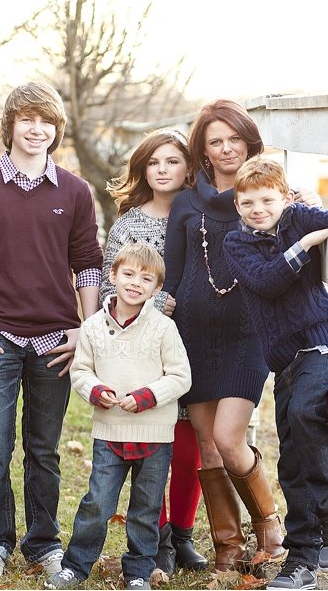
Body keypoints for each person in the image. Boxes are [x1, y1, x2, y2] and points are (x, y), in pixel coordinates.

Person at [0, 82, 103, 578]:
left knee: (43, 448)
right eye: (27, 119)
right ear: (9, 124)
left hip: (56, 340)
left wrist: (86, 330)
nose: (37, 129)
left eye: (47, 121)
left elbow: (89, 266)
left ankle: (42, 541)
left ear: (57, 129)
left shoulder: (74, 191)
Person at [162, 99, 321, 572]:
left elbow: (308, 219)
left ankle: (270, 525)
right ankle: (227, 545)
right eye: (216, 141)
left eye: (234, 138)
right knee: (206, 443)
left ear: (248, 141)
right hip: (192, 332)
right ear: (204, 151)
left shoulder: (268, 192)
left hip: (248, 333)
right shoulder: (188, 201)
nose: (227, 148)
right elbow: (172, 268)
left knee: (230, 438)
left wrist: (310, 205)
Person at [223, 158, 328, 589]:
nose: (257, 208)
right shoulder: (237, 244)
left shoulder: (298, 216)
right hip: (284, 361)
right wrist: (305, 245)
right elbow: (267, 281)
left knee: (306, 413)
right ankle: (301, 560)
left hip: (323, 344)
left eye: (267, 199)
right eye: (247, 202)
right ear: (237, 205)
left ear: (285, 199)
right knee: (290, 460)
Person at [45, 243, 192, 591]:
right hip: (110, 431)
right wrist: (95, 390)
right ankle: (76, 566)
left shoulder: (163, 328)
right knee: (98, 501)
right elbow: (80, 371)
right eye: (128, 274)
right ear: (112, 276)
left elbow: (180, 376)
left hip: (154, 434)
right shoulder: (93, 327)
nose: (135, 283)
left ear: (156, 289)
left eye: (146, 279)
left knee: (146, 508)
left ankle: (139, 571)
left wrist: (146, 396)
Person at [100, 130, 208, 574]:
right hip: (145, 350)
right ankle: (157, 537)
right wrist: (156, 304)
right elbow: (111, 285)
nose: (163, 170)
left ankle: (182, 534)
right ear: (144, 170)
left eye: (173, 161)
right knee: (153, 441)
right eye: (154, 163)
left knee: (190, 446)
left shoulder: (202, 212)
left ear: (188, 168)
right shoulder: (129, 223)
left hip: (198, 341)